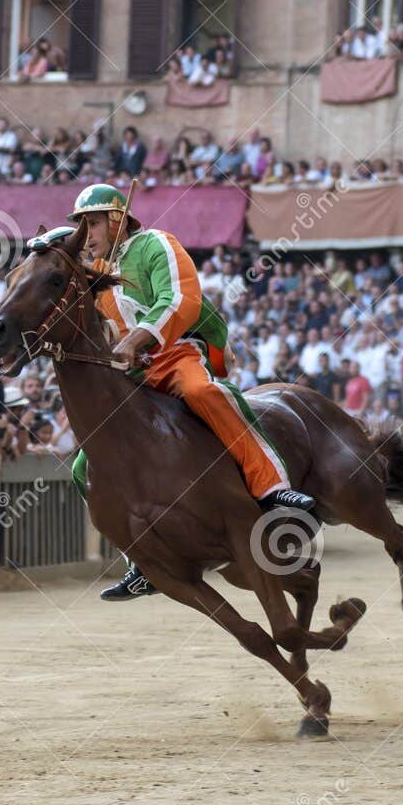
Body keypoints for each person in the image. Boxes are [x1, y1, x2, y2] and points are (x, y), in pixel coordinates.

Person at [62, 184, 315, 601]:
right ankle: (141, 563)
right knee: (82, 466)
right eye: (81, 225)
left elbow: (181, 299)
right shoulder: (96, 271)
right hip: (136, 374)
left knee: (202, 391)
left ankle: (272, 487)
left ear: (116, 219)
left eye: (91, 223)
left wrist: (135, 342)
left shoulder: (154, 244)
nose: (85, 233)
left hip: (174, 353)